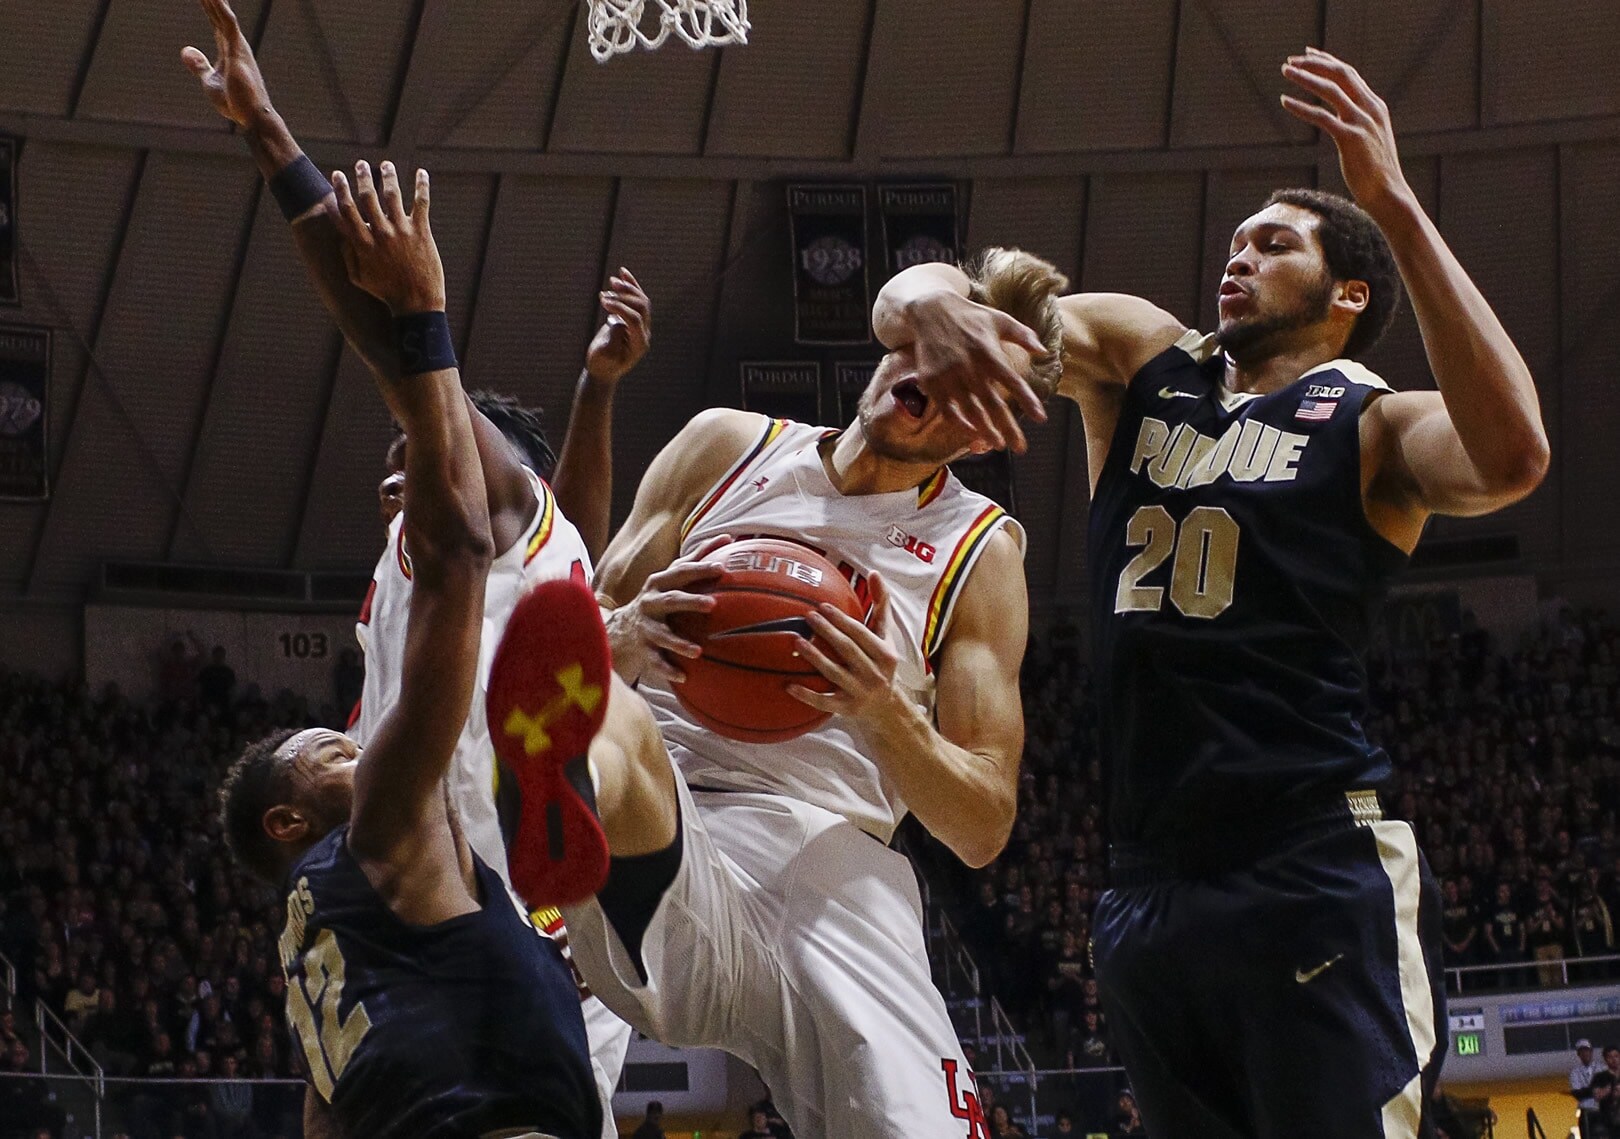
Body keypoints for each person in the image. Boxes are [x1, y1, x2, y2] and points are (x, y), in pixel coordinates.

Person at [877, 47, 1548, 1139]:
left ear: (1349, 293)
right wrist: (935, 304)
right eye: (1234, 240)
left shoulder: (1372, 422)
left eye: (1274, 244)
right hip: (1144, 885)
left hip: (1308, 863)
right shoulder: (1149, 358)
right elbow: (925, 298)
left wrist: (1395, 202)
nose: (1236, 257)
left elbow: (1515, 455)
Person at [181, 0, 640, 1128]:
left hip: (507, 895)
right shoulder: (422, 572)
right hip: (453, 900)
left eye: (419, 455)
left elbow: (394, 353)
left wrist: (279, 148)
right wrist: (269, 139)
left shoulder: (489, 520)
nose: (399, 472)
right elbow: (398, 356)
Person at [485, 249, 1064, 1136]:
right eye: (930, 351)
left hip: (829, 856)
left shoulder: (977, 549)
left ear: (986, 436)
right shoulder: (728, 444)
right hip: (673, 812)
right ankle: (555, 781)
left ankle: (565, 784)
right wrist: (630, 631)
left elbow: (983, 826)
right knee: (609, 705)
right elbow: (584, 627)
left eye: (970, 389)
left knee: (920, 1124)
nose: (933, 378)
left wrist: (883, 710)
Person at [1574, 1039, 1603, 1121]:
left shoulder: (1601, 1068)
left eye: (1586, 1050)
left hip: (1602, 1109)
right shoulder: (1575, 1073)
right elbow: (1578, 1093)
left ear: (1591, 1052)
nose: (1584, 1054)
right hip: (1586, 1111)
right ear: (1578, 1054)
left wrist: (1587, 1092)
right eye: (1581, 1051)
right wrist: (1595, 1091)